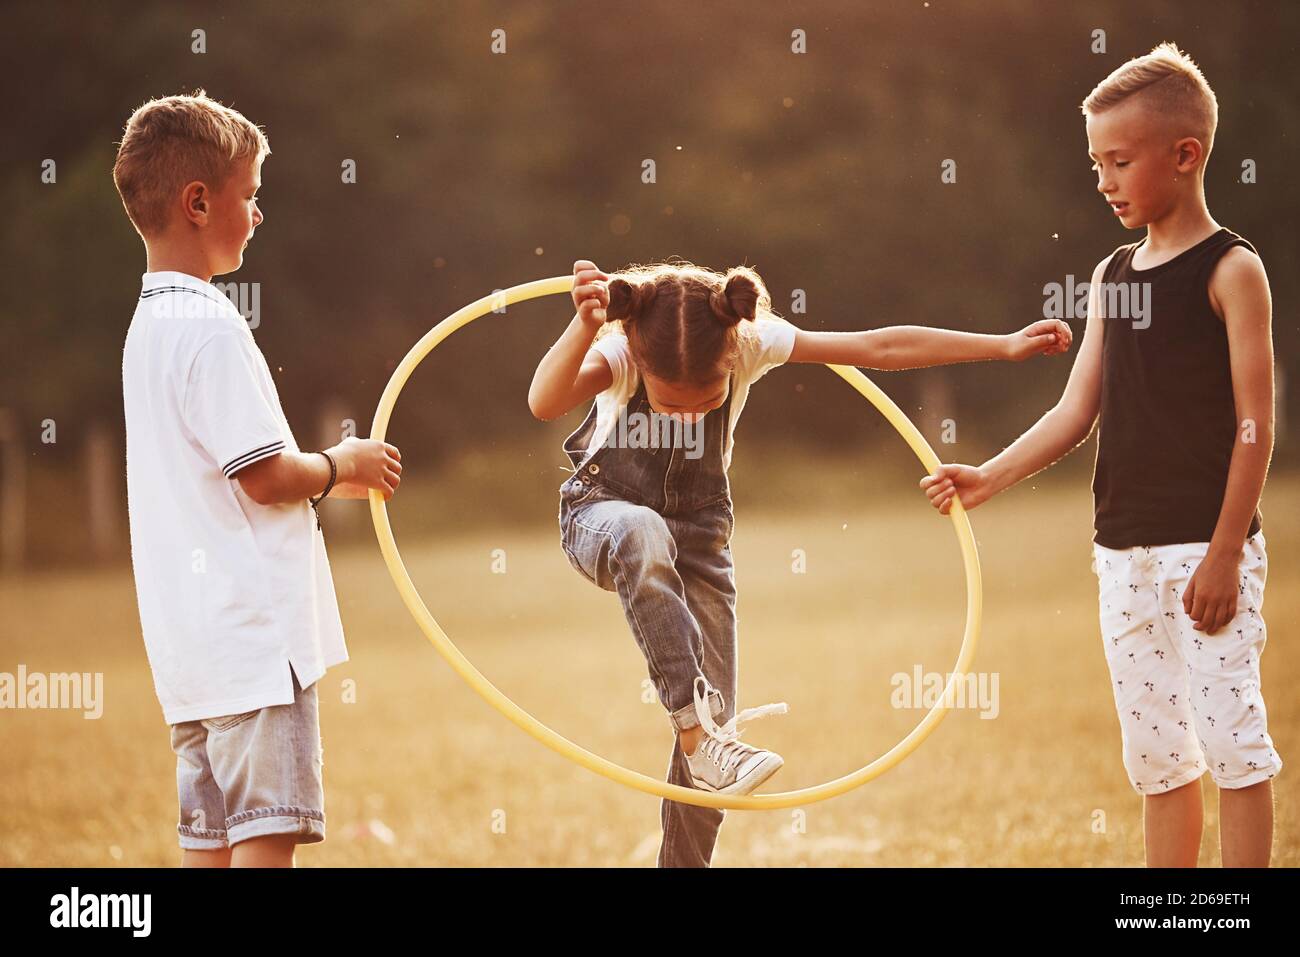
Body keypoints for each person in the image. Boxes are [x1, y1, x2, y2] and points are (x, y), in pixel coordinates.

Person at [532, 257, 1071, 866]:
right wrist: (584, 326)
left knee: (719, 758)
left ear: (733, 355)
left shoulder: (751, 342)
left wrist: (1002, 346)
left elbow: (881, 345)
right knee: (644, 534)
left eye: (705, 400)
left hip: (701, 543)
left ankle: (696, 798)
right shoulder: (623, 354)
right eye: (668, 405)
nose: (687, 418)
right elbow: (544, 401)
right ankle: (692, 726)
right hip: (602, 517)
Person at [921, 44, 1281, 866]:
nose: (1104, 180)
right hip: (1122, 555)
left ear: (1185, 155)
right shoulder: (1112, 276)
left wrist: (1226, 552)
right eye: (1096, 163)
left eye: (1119, 160)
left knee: (1233, 744)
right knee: (1159, 762)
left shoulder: (1233, 271)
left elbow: (1256, 427)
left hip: (1206, 550)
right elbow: (1074, 411)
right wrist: (992, 473)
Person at [115, 91, 403, 867]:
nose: (259, 212)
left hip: (192, 653)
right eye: (251, 194)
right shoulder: (212, 324)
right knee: (265, 837)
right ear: (199, 202)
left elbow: (230, 475)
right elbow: (268, 476)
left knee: (210, 844)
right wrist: (344, 462)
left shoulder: (148, 330)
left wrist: (337, 480)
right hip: (253, 648)